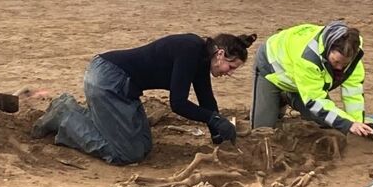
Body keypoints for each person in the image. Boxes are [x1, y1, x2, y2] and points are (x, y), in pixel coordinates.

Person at [31, 32, 256, 165]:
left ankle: (93, 117)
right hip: (108, 81)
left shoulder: (200, 59)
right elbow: (177, 104)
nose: (229, 72)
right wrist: (215, 120)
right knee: (126, 155)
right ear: (220, 54)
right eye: (231, 65)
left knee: (144, 146)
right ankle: (65, 114)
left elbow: (206, 99)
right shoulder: (190, 49)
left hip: (124, 88)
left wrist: (220, 137)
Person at [250, 21, 373, 137]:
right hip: (271, 70)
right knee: (262, 132)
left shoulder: (353, 59)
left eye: (344, 63)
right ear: (328, 49)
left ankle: (290, 96)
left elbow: (354, 95)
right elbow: (315, 101)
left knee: (328, 121)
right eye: (336, 62)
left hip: (303, 81)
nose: (339, 67)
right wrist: (348, 125)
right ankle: (282, 96)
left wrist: (356, 124)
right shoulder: (308, 58)